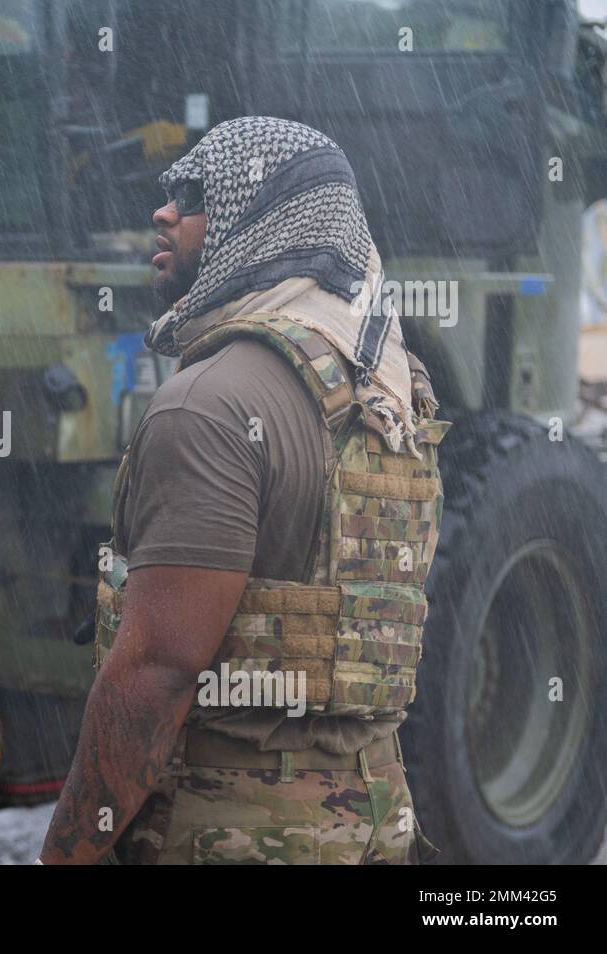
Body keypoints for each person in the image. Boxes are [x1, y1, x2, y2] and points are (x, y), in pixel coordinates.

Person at [38, 116, 448, 865]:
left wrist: (65, 856)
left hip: (234, 831)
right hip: (371, 829)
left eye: (195, 198)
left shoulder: (210, 404)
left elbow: (158, 672)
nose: (163, 212)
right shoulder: (389, 393)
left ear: (266, 222)